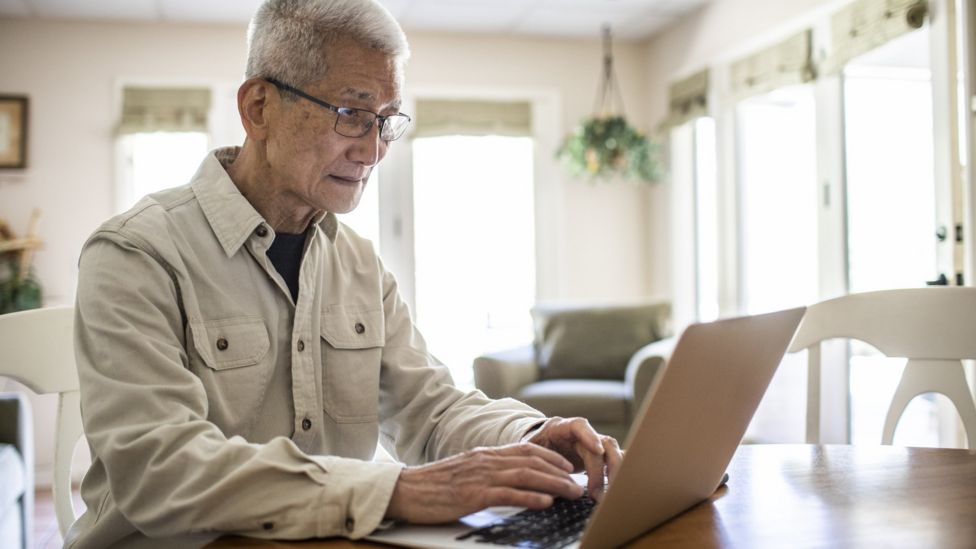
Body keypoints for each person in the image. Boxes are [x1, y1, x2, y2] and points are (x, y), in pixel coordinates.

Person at [66, 1, 622, 547]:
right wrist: (399, 490)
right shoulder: (136, 254)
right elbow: (161, 469)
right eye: (351, 114)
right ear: (259, 108)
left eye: (386, 121)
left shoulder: (358, 263)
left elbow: (428, 408)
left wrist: (528, 436)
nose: (373, 150)